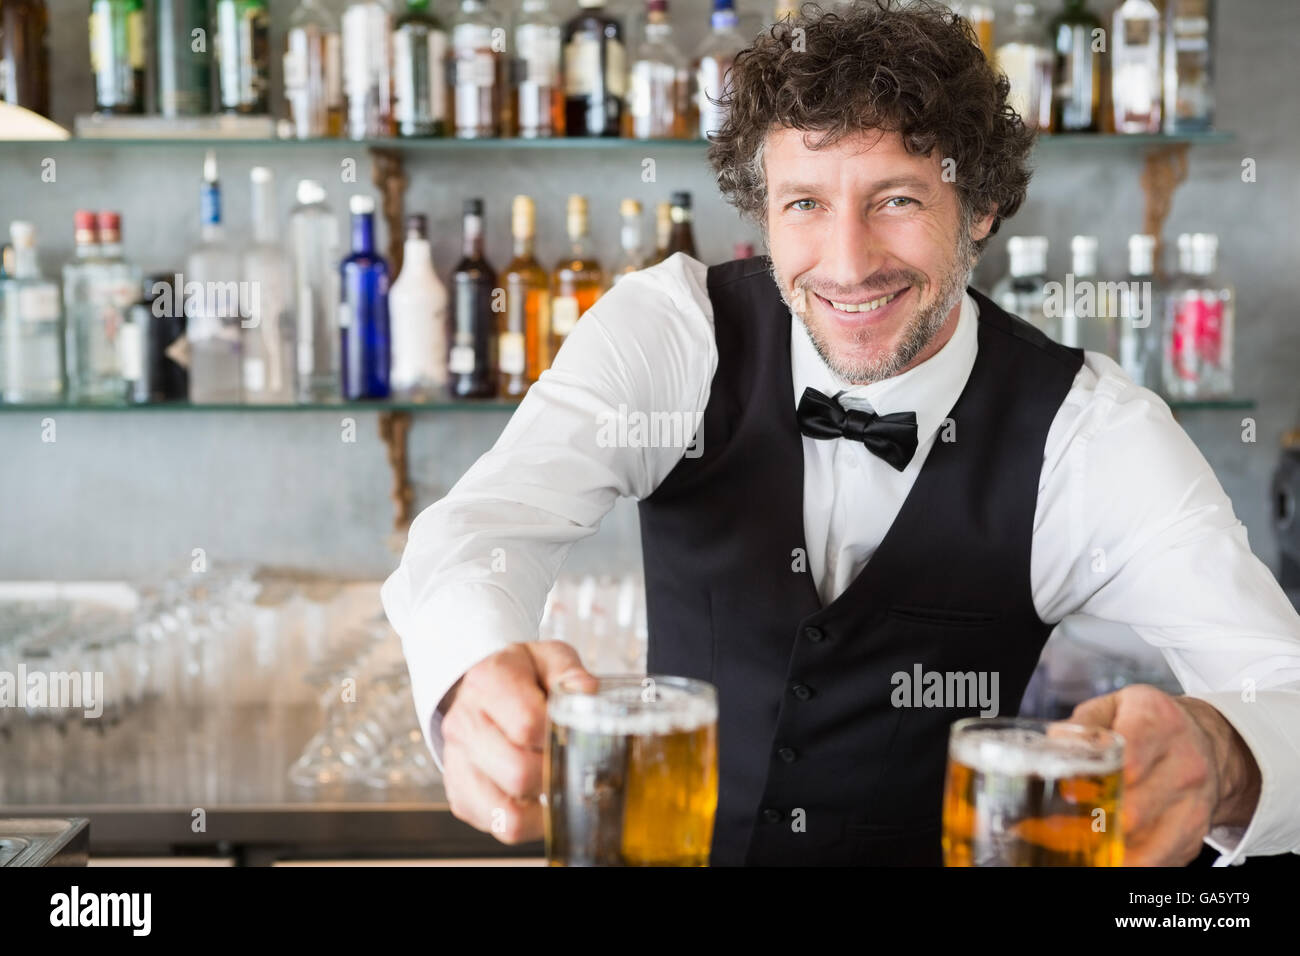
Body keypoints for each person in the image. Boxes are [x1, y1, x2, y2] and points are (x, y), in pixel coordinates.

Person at [382, 1, 1300, 865]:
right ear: (763, 213)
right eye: (805, 204)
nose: (848, 263)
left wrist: (1220, 755)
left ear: (979, 208)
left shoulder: (1086, 434)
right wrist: (471, 676)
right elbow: (482, 533)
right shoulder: (672, 334)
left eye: (896, 199)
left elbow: (1281, 684)